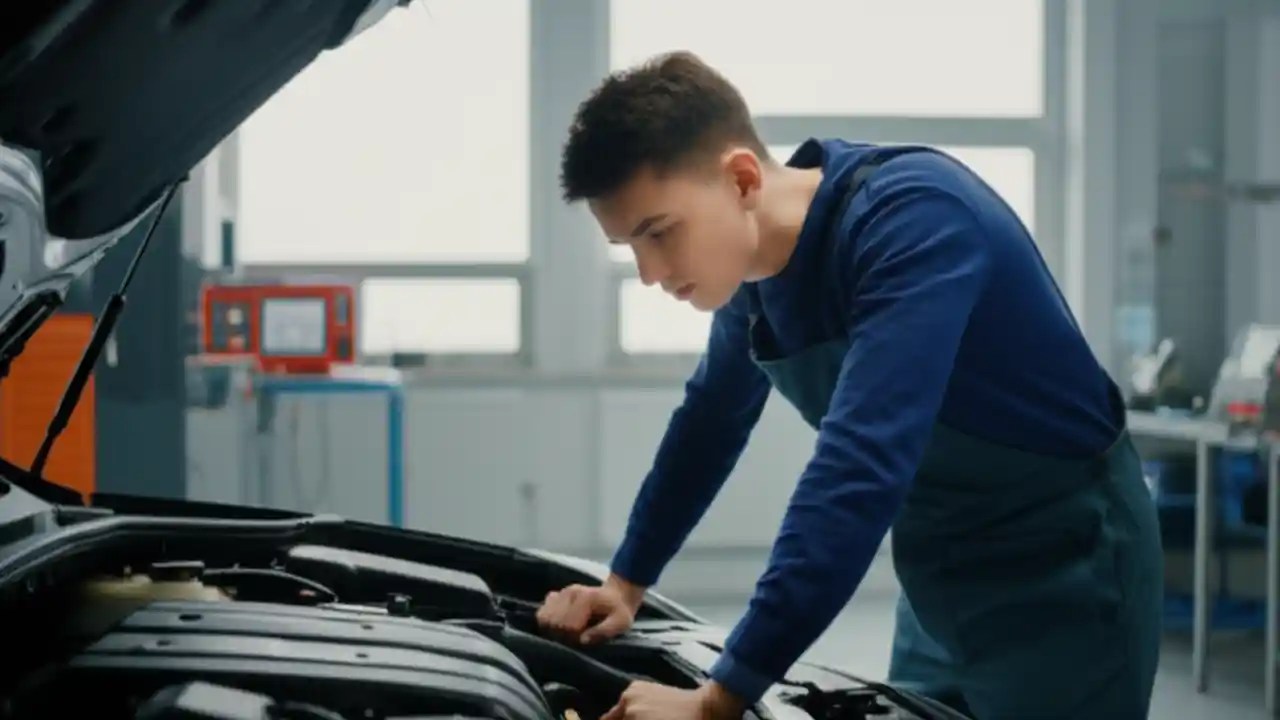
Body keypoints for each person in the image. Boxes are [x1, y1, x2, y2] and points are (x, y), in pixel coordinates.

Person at [536, 51, 1163, 720]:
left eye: (659, 232)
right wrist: (625, 584)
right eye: (630, 248)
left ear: (742, 179)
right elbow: (710, 422)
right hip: (939, 571)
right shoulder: (753, 282)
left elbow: (858, 467)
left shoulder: (914, 222)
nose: (649, 274)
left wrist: (720, 698)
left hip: (1068, 571)